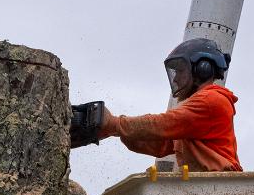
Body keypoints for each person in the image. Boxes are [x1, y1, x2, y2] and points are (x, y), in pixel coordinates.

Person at [94, 37, 242, 172]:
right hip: (212, 185)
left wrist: (116, 124)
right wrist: (118, 132)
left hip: (221, 185)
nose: (176, 79)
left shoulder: (211, 100)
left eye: (180, 71)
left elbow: (163, 124)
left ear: (202, 68)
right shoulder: (197, 115)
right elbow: (163, 145)